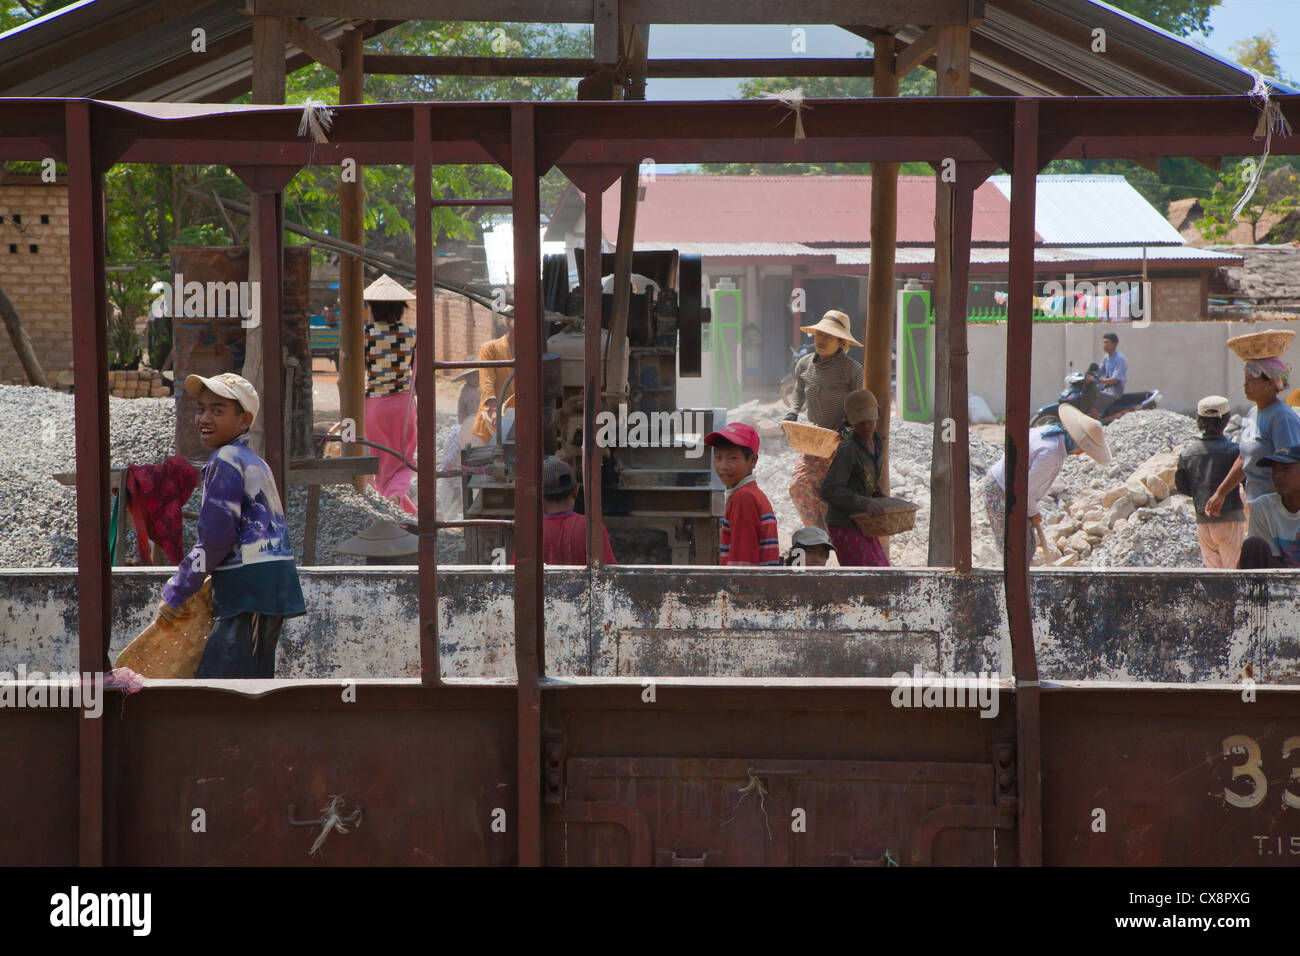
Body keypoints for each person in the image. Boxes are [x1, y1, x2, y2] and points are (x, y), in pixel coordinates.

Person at [156, 372, 305, 678]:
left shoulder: (224, 461)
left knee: (223, 688)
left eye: (218, 410)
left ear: (244, 420)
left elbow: (215, 540)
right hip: (263, 587)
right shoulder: (253, 461)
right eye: (201, 409)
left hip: (248, 591)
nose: (204, 418)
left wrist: (178, 589)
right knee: (249, 684)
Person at [980, 404, 1109, 562]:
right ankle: (1006, 584)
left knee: (1025, 545)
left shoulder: (1052, 434)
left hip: (1007, 487)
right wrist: (1033, 512)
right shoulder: (1052, 454)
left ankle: (1016, 582)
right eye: (1083, 449)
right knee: (1016, 548)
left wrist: (1031, 511)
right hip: (1001, 491)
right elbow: (1025, 489)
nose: (1081, 453)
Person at [782, 309, 865, 530]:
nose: (821, 340)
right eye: (819, 334)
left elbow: (860, 403)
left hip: (841, 445)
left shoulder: (852, 370)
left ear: (841, 342)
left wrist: (849, 424)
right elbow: (798, 391)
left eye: (828, 336)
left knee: (832, 495)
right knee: (799, 487)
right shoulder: (804, 364)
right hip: (813, 441)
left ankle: (834, 537)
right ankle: (818, 537)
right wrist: (793, 411)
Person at [1207, 356, 1300, 517]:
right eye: (1245, 379)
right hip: (1257, 505)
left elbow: (1291, 465)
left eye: (1251, 380)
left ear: (1270, 383)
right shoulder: (1253, 413)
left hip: (1279, 509)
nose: (1245, 385)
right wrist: (1221, 492)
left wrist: (1288, 515)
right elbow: (1244, 458)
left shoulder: (1281, 417)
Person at [362, 274, 418, 514]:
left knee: (382, 465)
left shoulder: (365, 335)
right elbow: (419, 373)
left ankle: (392, 507)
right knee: (404, 462)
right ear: (401, 309)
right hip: (403, 406)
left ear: (372, 309)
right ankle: (395, 501)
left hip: (374, 406)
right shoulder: (411, 334)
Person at [1175, 395, 1246, 569]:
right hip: (1230, 520)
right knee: (1233, 572)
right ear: (1227, 420)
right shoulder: (1235, 451)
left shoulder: (1187, 453)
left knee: (1213, 575)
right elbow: (1247, 482)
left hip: (1203, 522)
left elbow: (1183, 487)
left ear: (1199, 420)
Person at [820, 389, 890, 567]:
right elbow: (829, 490)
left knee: (883, 570)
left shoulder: (878, 443)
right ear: (848, 420)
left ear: (877, 414)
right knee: (868, 576)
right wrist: (864, 502)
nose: (866, 425)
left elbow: (864, 481)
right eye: (860, 421)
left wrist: (876, 493)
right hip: (844, 524)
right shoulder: (848, 450)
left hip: (863, 523)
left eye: (869, 419)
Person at [705, 422, 780, 566]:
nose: (723, 467)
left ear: (752, 460)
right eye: (718, 458)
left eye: (732, 458)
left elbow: (742, 563)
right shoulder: (751, 494)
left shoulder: (743, 498)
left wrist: (734, 587)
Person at [531, 457, 617, 566]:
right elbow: (608, 573)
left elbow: (514, 574)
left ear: (538, 496)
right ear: (576, 491)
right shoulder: (592, 527)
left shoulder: (531, 530)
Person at [1238, 445, 1300, 568]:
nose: (1277, 475)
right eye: (1274, 469)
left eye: (1285, 468)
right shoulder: (1262, 507)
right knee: (1253, 546)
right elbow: (1271, 562)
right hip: (1278, 581)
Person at [473, 313, 515, 443]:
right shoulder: (490, 349)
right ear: (507, 320)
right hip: (493, 423)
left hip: (518, 422)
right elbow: (487, 383)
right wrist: (494, 410)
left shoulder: (531, 350)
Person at [1093, 331, 1127, 415]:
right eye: (1103, 343)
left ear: (1115, 344)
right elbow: (1100, 371)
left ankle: (1100, 420)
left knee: (1093, 400)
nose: (1104, 345)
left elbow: (1115, 380)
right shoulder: (1106, 357)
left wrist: (1100, 380)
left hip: (1115, 390)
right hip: (1106, 387)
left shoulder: (1120, 359)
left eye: (1107, 342)